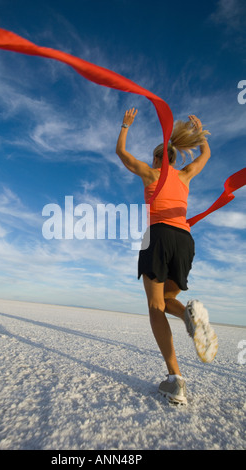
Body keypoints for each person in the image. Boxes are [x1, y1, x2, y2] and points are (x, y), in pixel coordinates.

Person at [116, 108, 218, 405]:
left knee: (155, 306)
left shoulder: (151, 174)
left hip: (158, 236)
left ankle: (175, 381)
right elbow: (206, 157)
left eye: (153, 157)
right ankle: (189, 316)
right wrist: (199, 136)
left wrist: (125, 124)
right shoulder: (185, 176)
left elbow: (121, 153)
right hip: (184, 240)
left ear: (160, 158)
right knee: (169, 299)